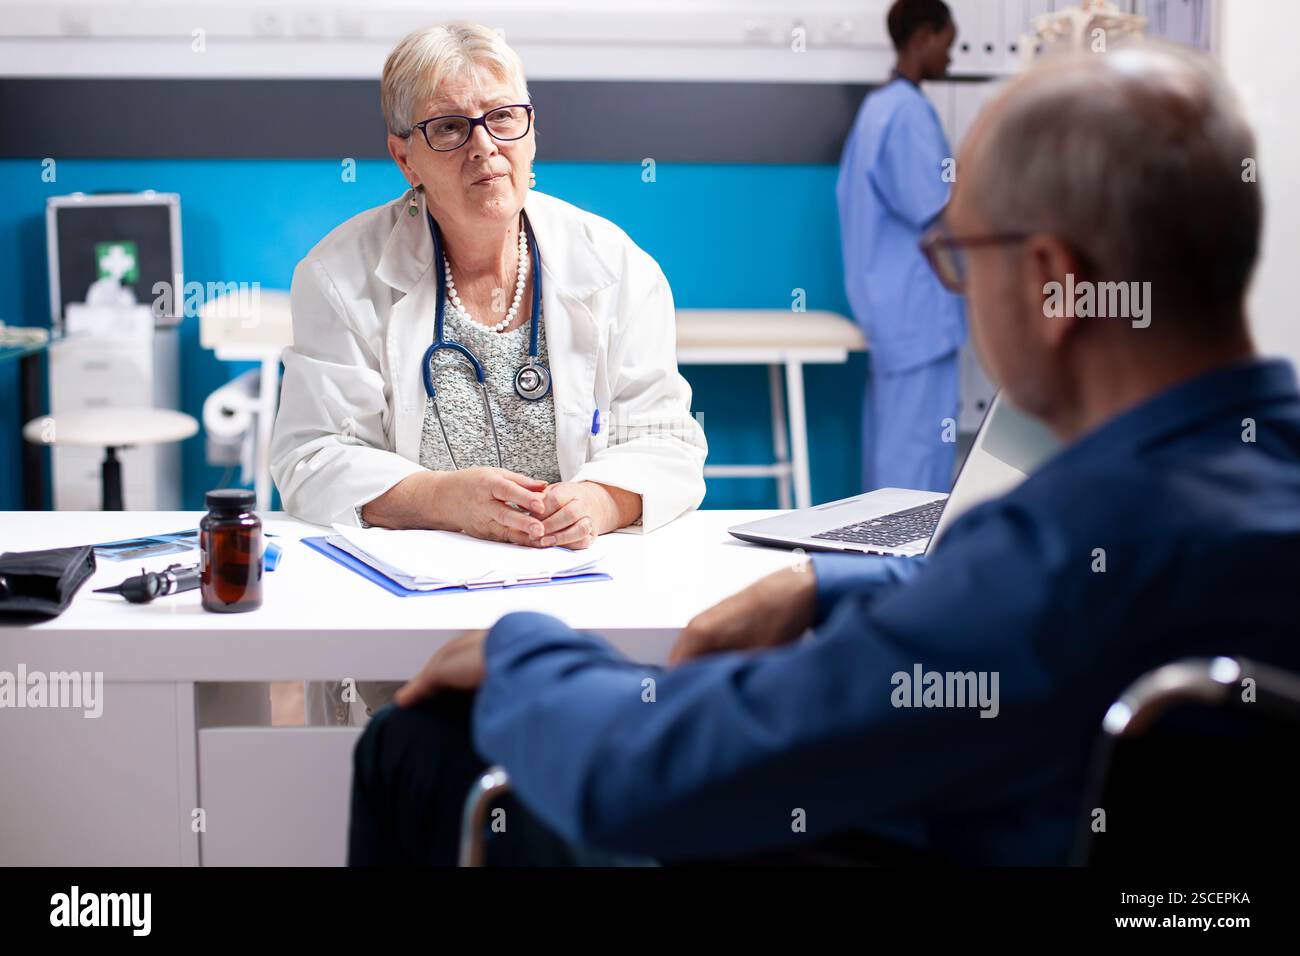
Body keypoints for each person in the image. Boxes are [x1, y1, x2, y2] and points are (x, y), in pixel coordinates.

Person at [349, 42, 1300, 866]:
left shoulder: (1064, 557)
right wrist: (837, 585)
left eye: (964, 259)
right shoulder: (1242, 487)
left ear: (1054, 285)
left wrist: (524, 650)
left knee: (420, 747)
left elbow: (654, 771)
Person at [269, 22, 707, 721]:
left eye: (503, 118)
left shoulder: (616, 266)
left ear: (531, 130)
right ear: (404, 156)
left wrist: (595, 500)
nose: (486, 148)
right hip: (404, 627)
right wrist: (445, 499)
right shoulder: (339, 276)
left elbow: (669, 442)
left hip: (580, 610)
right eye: (448, 127)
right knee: (414, 777)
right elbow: (312, 459)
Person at [837, 0, 965, 493]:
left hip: (894, 311)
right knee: (914, 466)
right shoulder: (906, 113)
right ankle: (904, 565)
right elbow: (937, 207)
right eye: (947, 45)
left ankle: (889, 560)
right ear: (922, 38)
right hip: (917, 317)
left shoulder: (879, 107)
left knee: (895, 451)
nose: (951, 59)